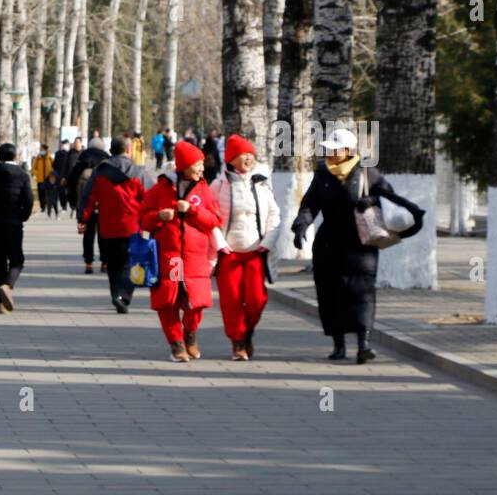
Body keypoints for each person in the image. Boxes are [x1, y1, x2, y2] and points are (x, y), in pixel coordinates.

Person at [291, 127, 425, 364]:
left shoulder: (366, 173)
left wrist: (371, 200)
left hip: (360, 243)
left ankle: (364, 344)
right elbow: (310, 205)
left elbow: (388, 196)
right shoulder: (322, 174)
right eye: (328, 149)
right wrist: (301, 225)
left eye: (335, 149)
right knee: (330, 294)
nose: (330, 153)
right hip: (328, 244)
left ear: (349, 150)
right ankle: (338, 344)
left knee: (361, 293)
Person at [140, 140, 223, 361]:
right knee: (169, 302)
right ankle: (176, 344)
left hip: (195, 259)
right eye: (198, 164)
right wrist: (159, 216)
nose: (202, 169)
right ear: (185, 165)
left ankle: (190, 335)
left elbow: (215, 219)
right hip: (170, 259)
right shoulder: (159, 189)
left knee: (195, 303)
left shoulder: (204, 190)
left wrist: (193, 211)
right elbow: (143, 220)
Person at [211, 135, 280, 360]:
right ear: (232, 158)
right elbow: (210, 218)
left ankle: (248, 331)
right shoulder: (219, 184)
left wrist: (267, 242)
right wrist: (220, 245)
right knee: (231, 300)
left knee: (256, 299)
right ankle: (238, 342)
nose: (249, 158)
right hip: (229, 253)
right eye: (244, 154)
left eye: (251, 154)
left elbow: (274, 215)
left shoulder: (261, 183)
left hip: (255, 252)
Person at [79, 136, 146, 312]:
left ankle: (115, 294)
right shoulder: (137, 171)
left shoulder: (100, 171)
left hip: (107, 225)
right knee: (129, 262)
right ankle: (123, 296)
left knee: (112, 263)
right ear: (128, 150)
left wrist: (83, 219)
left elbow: (89, 196)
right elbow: (149, 197)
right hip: (131, 225)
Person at [0, 142, 33, 312]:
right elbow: (29, 200)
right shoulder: (22, 175)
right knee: (17, 260)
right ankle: (8, 286)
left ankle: (1, 303)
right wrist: (22, 216)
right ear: (14, 156)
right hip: (13, 223)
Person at [68, 139, 109, 271]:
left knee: (88, 234)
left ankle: (89, 263)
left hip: (85, 205)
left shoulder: (82, 159)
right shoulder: (107, 160)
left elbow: (72, 181)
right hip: (104, 206)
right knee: (104, 234)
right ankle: (104, 262)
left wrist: (73, 203)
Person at [32, 144, 55, 217]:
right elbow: (33, 169)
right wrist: (37, 173)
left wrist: (52, 175)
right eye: (40, 149)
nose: (41, 151)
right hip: (40, 179)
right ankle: (42, 207)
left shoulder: (50, 158)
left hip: (48, 179)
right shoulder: (37, 158)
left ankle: (49, 205)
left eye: (42, 149)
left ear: (46, 150)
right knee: (41, 193)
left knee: (48, 193)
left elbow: (54, 167)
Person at [53, 138, 72, 213]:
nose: (64, 146)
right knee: (61, 191)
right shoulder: (58, 153)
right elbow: (54, 164)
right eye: (63, 144)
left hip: (69, 175)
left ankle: (71, 205)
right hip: (60, 175)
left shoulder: (70, 153)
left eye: (66, 144)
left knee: (69, 191)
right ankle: (63, 206)